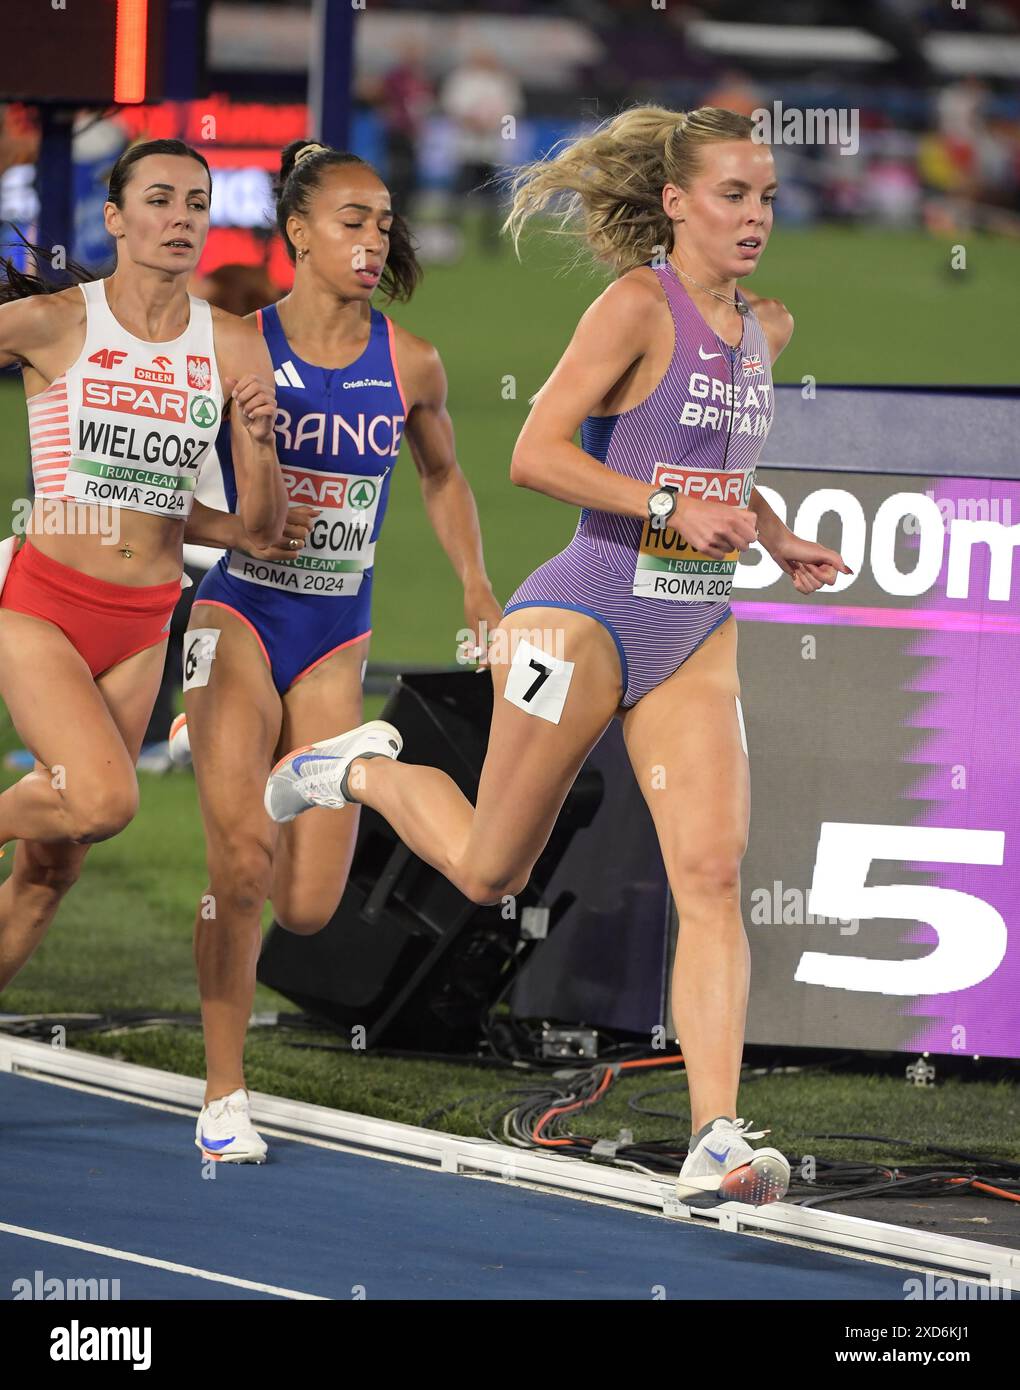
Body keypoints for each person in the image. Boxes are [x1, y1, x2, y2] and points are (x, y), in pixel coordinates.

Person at [265, 106, 852, 1206]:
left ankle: (715, 1136)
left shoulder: (762, 328)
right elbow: (535, 454)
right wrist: (677, 500)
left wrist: (770, 531)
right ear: (676, 203)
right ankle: (359, 768)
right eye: (733, 194)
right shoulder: (639, 304)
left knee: (715, 876)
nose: (756, 216)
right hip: (582, 613)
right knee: (492, 871)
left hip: (695, 623)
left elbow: (721, 479)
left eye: (767, 195)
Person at [176, 140, 502, 1162]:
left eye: (384, 221)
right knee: (235, 865)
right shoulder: (234, 342)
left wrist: (477, 583)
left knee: (307, 908)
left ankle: (309, 767)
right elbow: (154, 486)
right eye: (352, 221)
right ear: (298, 234)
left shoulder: (411, 362)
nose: (374, 240)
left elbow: (444, 476)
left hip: (335, 636)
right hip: (235, 613)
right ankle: (225, 1096)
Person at [0, 137, 287, 997]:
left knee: (53, 875)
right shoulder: (55, 321)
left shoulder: (233, 344)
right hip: (42, 608)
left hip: (142, 624)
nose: (182, 219)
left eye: (197, 204)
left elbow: (257, 531)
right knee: (103, 805)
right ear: (116, 218)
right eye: (160, 200)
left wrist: (264, 446)